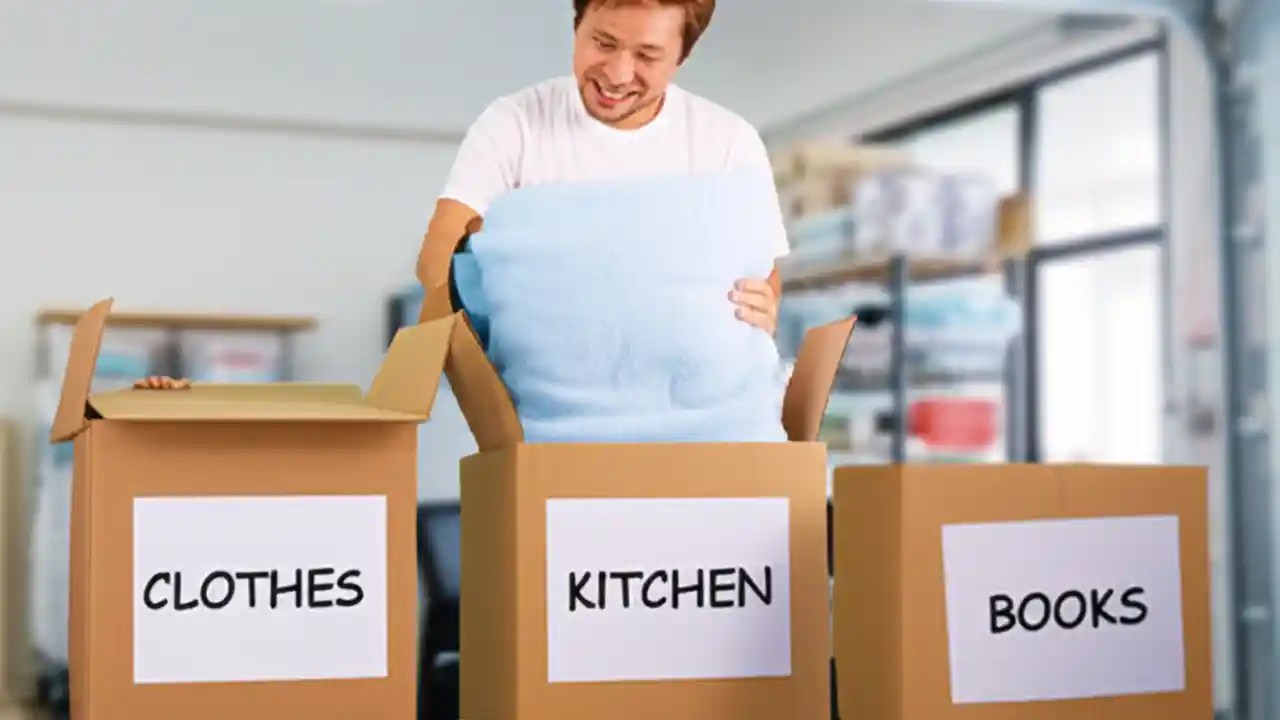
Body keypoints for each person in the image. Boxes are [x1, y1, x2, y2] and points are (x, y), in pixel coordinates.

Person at [417, 0, 789, 334]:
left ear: (681, 57)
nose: (617, 74)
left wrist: (761, 313)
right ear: (577, 25)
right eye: (604, 43)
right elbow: (437, 260)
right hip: (534, 397)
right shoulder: (514, 124)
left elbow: (764, 279)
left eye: (647, 56)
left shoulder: (728, 143)